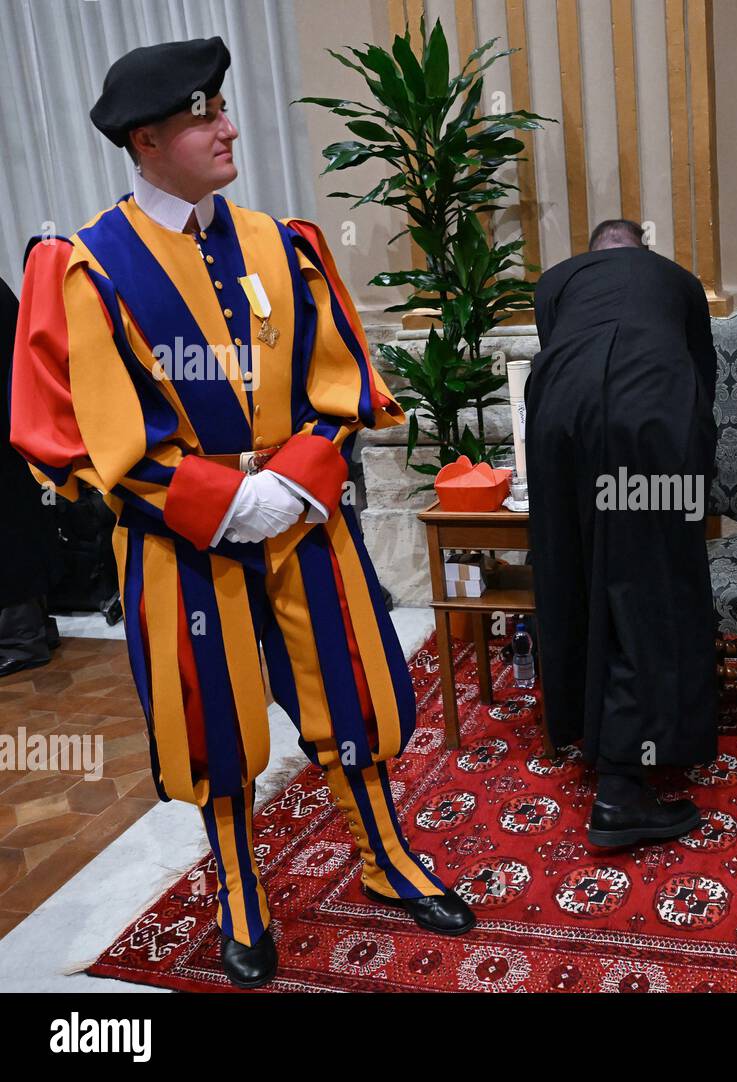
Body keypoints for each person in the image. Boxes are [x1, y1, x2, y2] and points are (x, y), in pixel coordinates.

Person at [8, 37, 474, 989]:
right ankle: (240, 893)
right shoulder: (87, 267)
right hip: (180, 537)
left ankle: (385, 856)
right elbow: (92, 438)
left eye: (223, 107)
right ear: (147, 139)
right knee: (210, 717)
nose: (228, 126)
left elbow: (341, 384)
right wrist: (225, 499)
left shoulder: (283, 243)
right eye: (202, 115)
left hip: (303, 513)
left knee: (348, 687)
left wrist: (293, 479)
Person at [526, 218, 719, 847]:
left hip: (556, 413)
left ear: (591, 255)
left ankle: (585, 722)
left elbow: (557, 347)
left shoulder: (555, 282)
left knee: (571, 566)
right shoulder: (680, 282)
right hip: (653, 413)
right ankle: (623, 784)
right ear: (645, 251)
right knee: (648, 579)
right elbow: (703, 380)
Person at [0, 277, 60, 678]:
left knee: (10, 534)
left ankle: (22, 638)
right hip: (16, 427)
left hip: (10, 432)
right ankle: (36, 627)